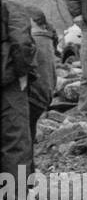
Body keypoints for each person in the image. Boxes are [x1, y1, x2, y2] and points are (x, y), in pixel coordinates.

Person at [1, 0, 38, 200]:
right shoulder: (11, 8)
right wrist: (24, 73)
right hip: (7, 82)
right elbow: (23, 43)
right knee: (15, 145)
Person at [26, 9, 57, 140]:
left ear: (31, 21)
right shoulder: (47, 38)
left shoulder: (33, 40)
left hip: (32, 96)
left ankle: (23, 160)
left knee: (20, 136)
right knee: (29, 130)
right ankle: (28, 159)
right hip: (44, 96)